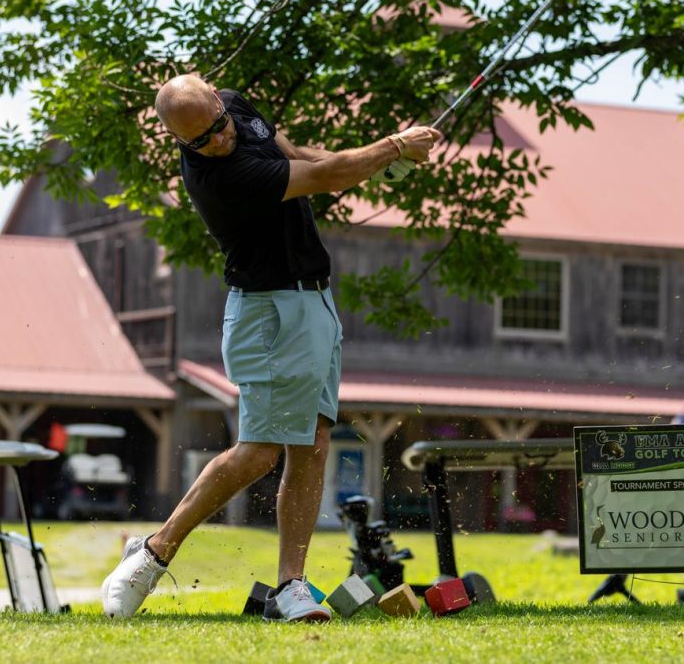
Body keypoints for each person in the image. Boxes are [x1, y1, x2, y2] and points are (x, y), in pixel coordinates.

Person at [100, 74, 441, 621]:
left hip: (314, 302)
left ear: (219, 99)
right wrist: (394, 146)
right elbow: (324, 178)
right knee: (259, 451)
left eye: (218, 126)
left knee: (313, 443)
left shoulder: (237, 109)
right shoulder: (222, 177)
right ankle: (153, 553)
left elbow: (297, 155)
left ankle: (289, 588)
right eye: (199, 140)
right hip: (270, 314)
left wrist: (375, 161)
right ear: (178, 140)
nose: (217, 140)